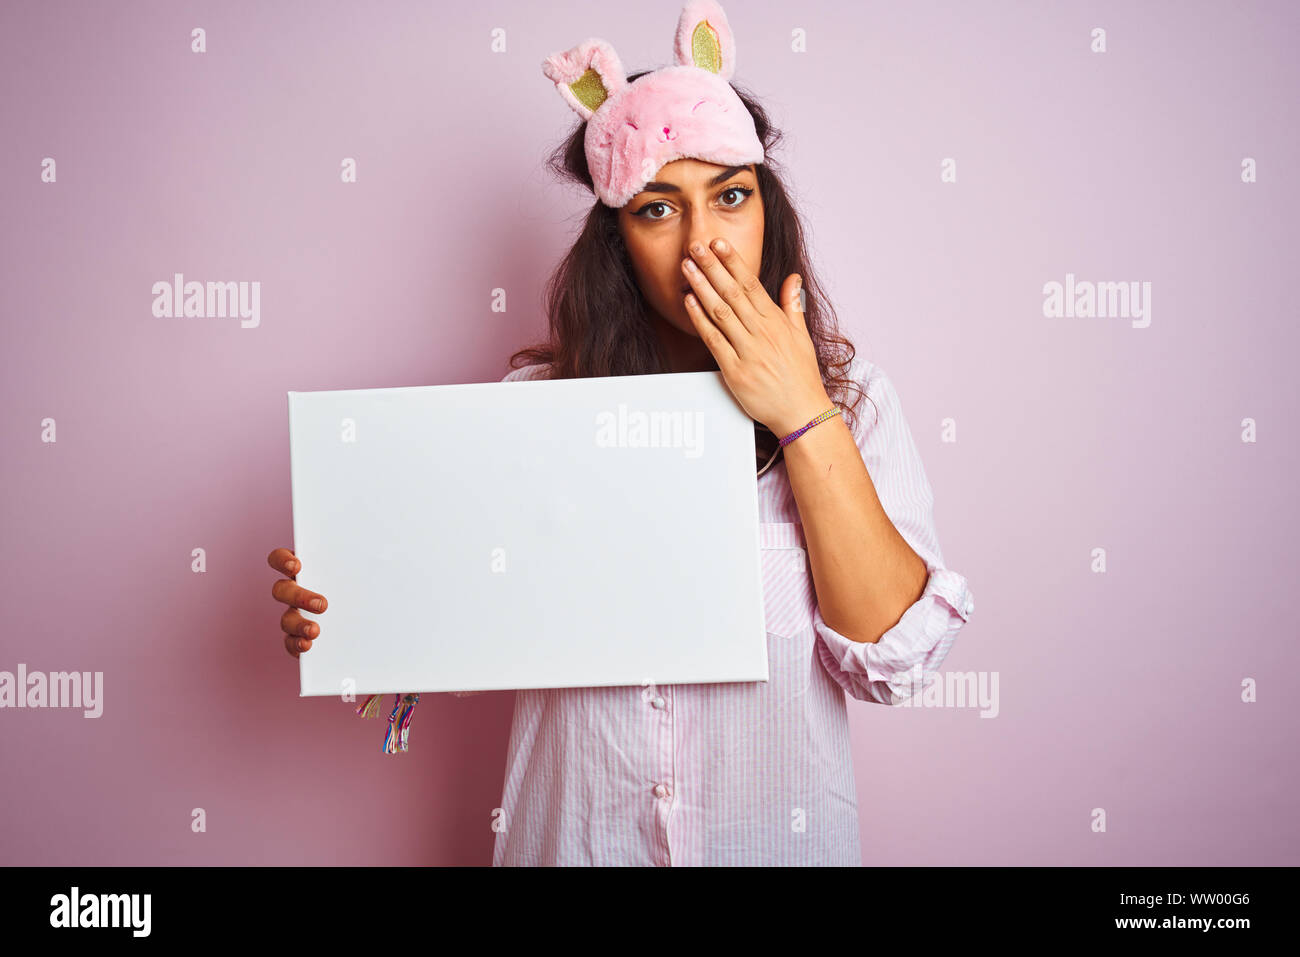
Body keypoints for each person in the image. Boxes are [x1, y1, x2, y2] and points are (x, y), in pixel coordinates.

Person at [269, 0, 974, 865]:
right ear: (618, 239)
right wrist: (346, 607)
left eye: (731, 196)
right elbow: (448, 612)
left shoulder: (854, 400)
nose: (702, 243)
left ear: (767, 212)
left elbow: (894, 662)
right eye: (657, 209)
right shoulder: (535, 402)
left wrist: (800, 411)